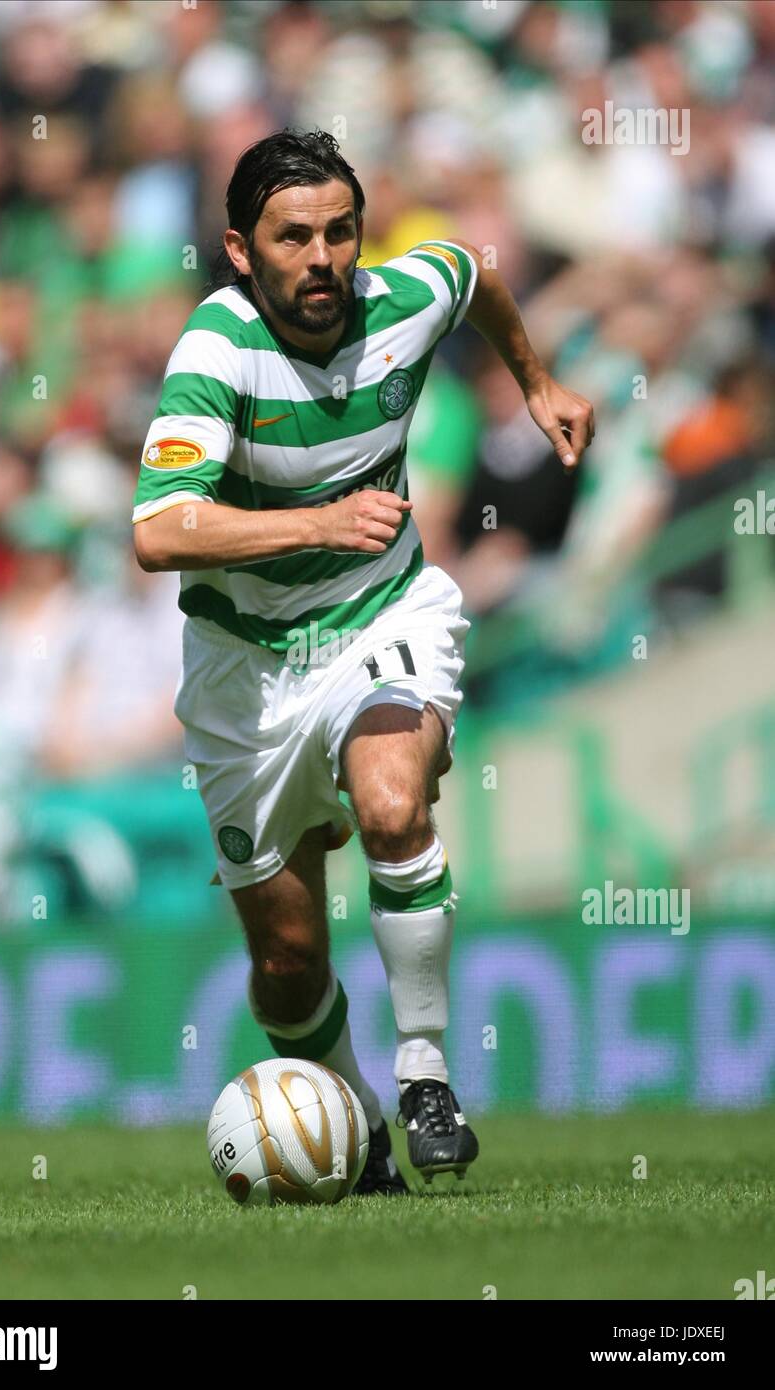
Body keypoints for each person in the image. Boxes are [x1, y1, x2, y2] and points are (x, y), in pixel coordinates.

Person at [132, 129, 594, 1194]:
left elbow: (472, 273)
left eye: (340, 230)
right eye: (292, 236)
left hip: (382, 611)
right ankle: (363, 1144)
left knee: (392, 802)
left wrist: (537, 384)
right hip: (243, 672)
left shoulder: (405, 293)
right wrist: (316, 521)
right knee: (286, 967)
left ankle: (425, 1071)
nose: (322, 256)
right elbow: (160, 531)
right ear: (241, 251)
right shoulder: (218, 350)